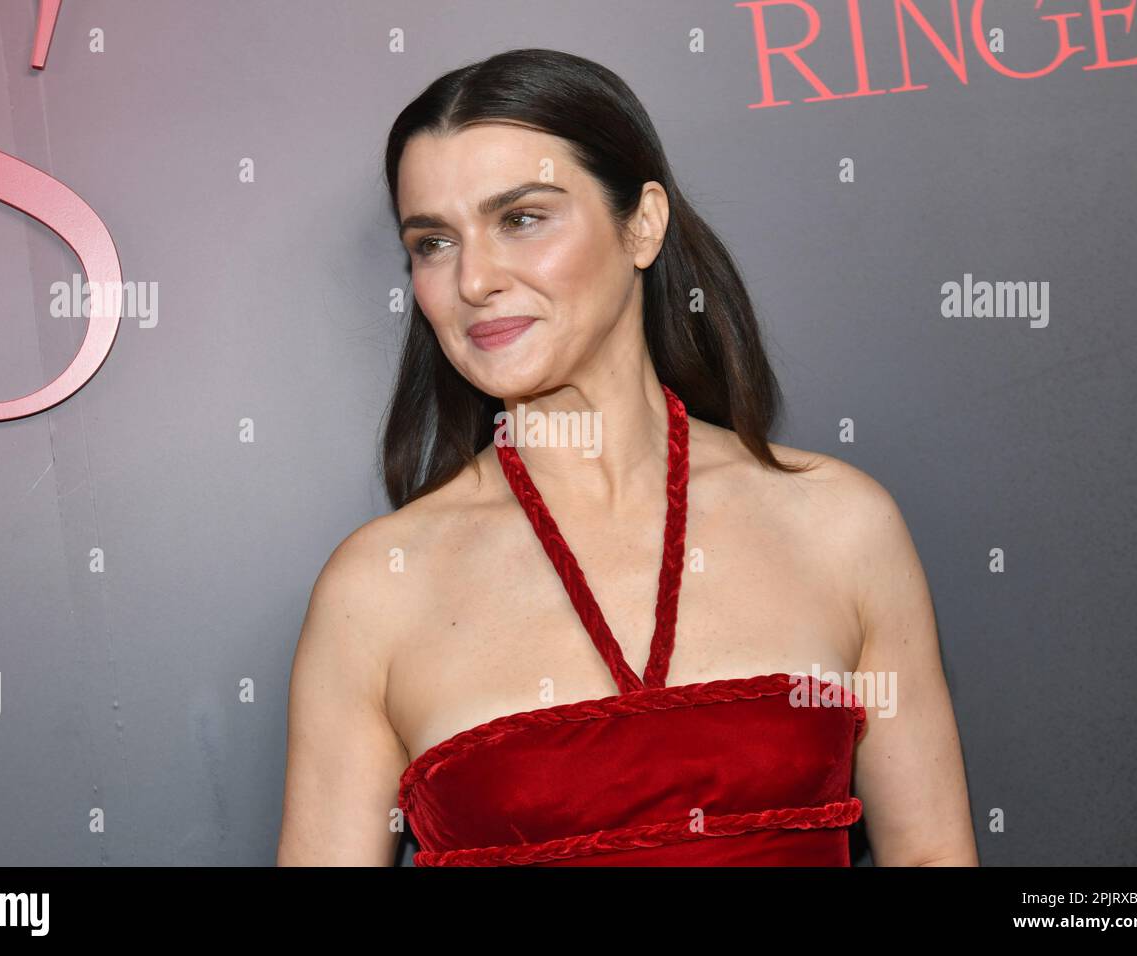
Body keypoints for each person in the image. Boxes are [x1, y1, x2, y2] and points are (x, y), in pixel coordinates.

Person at [276, 48, 977, 866]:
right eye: (434, 241)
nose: (473, 279)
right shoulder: (377, 589)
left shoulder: (841, 524)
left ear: (641, 224)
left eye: (522, 218)